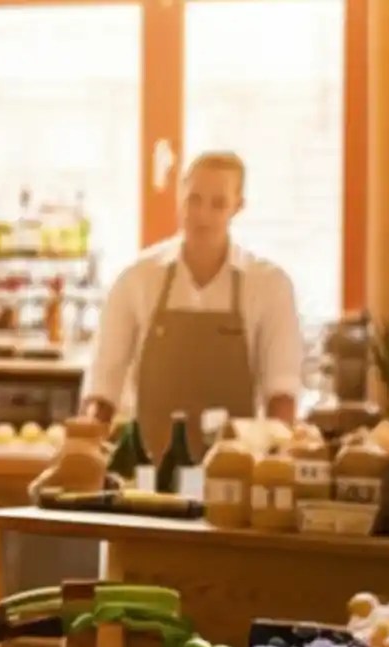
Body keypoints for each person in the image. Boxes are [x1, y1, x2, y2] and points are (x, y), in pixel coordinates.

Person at [81, 151, 303, 459]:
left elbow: (282, 390)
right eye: (193, 200)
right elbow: (104, 383)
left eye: (218, 203)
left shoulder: (270, 285)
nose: (202, 214)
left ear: (238, 206)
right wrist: (84, 450)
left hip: (235, 471)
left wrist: (277, 463)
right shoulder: (136, 279)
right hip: (147, 474)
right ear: (178, 197)